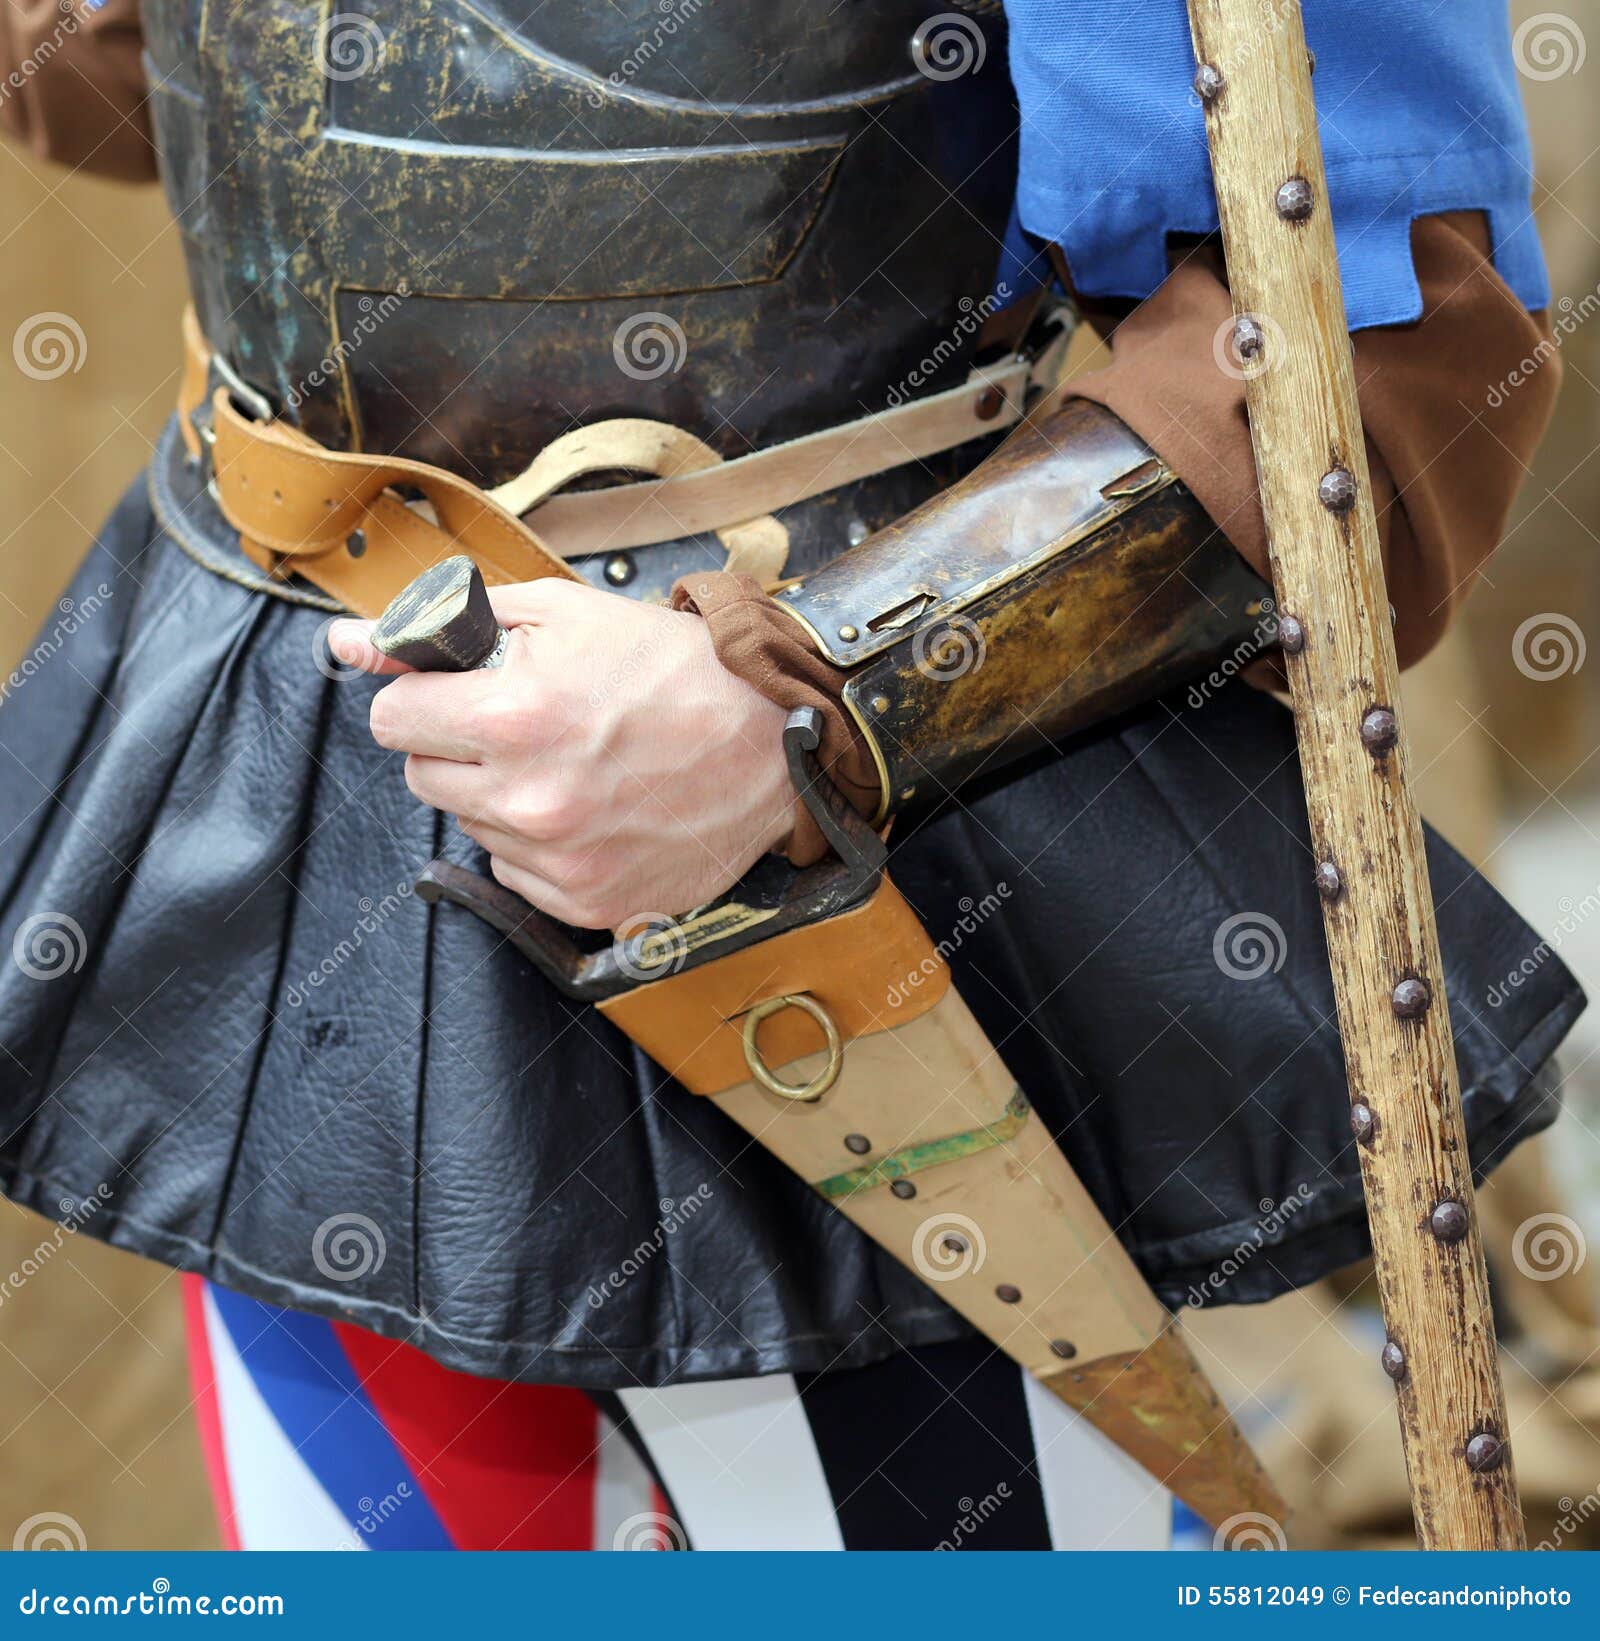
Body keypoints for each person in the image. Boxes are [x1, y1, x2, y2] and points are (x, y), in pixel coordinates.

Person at [0, 0, 1582, 1549]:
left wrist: (813, 703)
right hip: (294, 798)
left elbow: (1373, 348)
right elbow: (235, 85)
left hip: (882, 906)